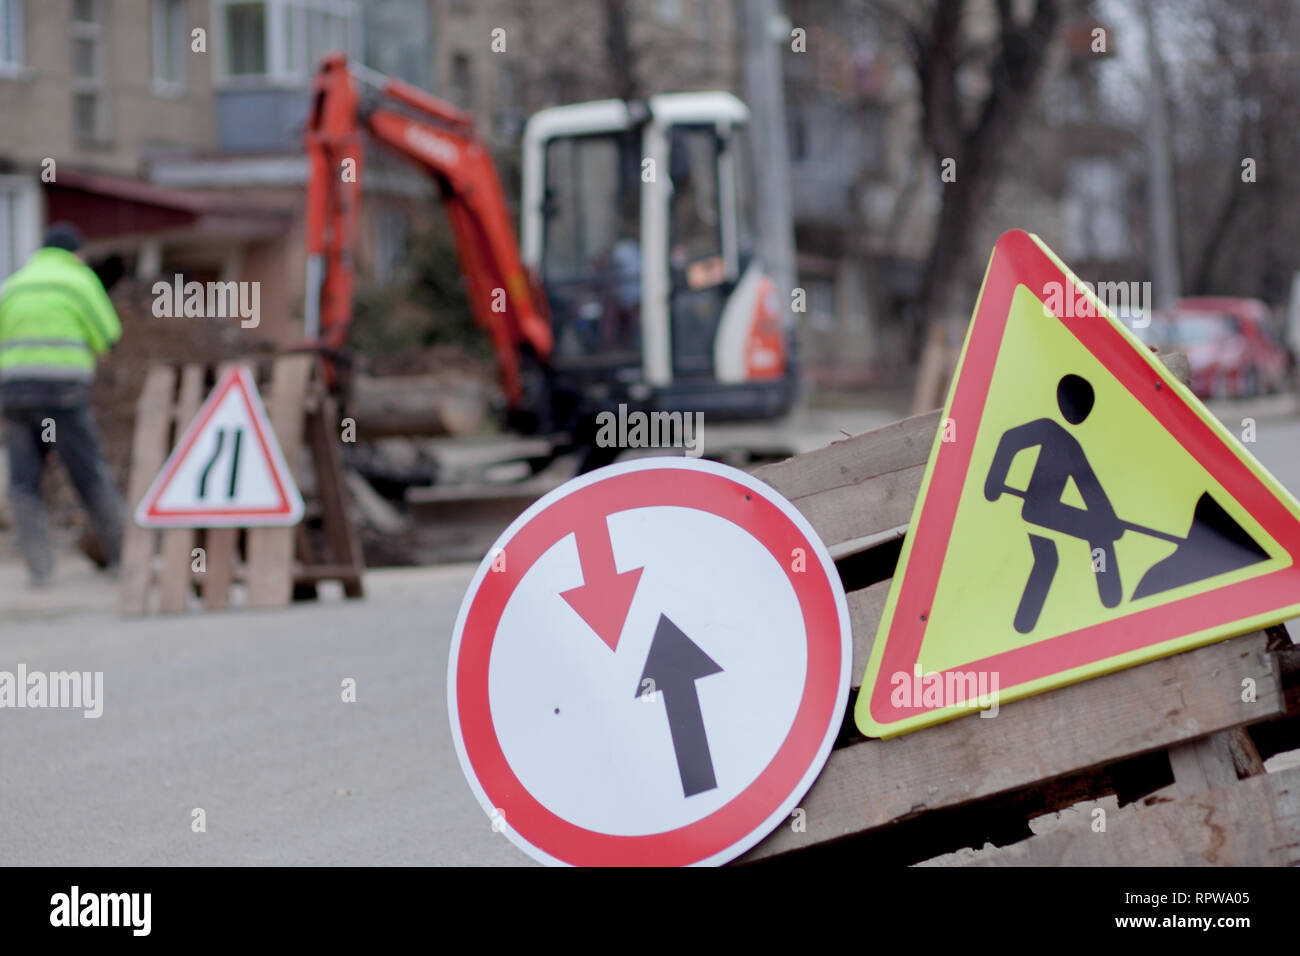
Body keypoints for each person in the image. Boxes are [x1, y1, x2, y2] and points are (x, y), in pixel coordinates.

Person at [0, 222, 124, 586]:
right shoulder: (79, 280)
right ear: (76, 254)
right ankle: (122, 557)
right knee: (90, 474)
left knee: (24, 483)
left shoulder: (14, 284)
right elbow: (108, 336)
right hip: (63, 394)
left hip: (15, 393)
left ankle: (40, 570)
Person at [984, 374, 1125, 634]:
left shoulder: (1072, 445)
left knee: (1050, 560)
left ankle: (1026, 625)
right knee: (1083, 542)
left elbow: (1091, 489)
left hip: (1047, 510)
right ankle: (1110, 598)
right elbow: (1009, 442)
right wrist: (994, 482)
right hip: (1038, 508)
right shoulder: (1048, 430)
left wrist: (1109, 518)